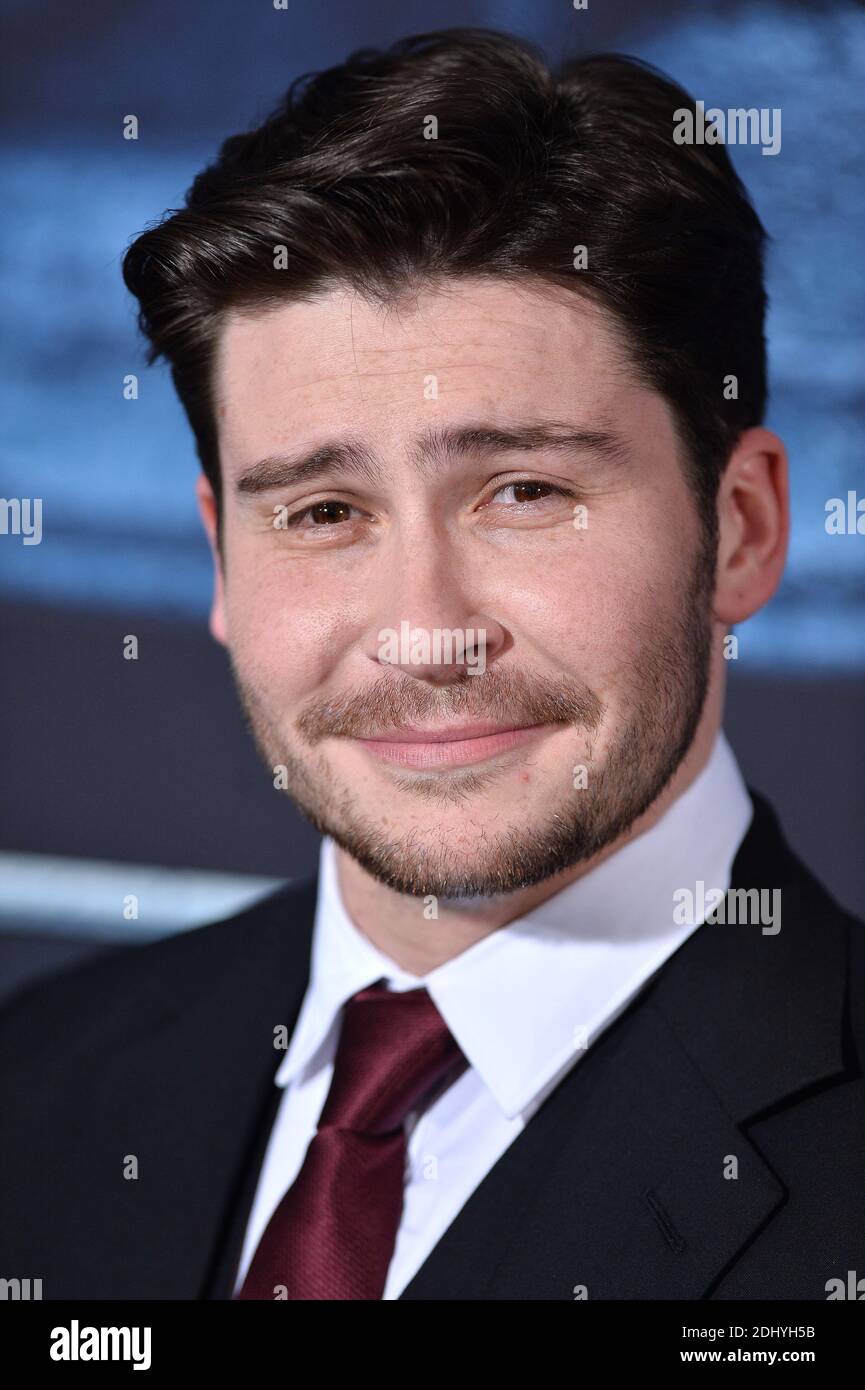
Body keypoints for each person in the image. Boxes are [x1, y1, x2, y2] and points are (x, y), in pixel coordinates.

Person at [2, 27, 863, 1302]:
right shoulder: (38, 1083)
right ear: (222, 562)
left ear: (740, 529)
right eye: (321, 513)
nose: (424, 630)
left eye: (522, 491)